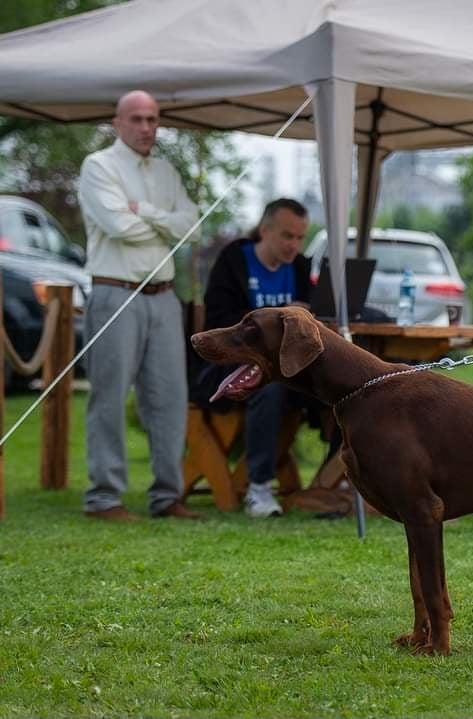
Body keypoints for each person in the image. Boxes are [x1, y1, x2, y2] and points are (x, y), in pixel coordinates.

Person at [78, 91, 201, 522]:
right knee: (109, 396)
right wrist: (165, 225)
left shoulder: (166, 170)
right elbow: (118, 226)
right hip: (116, 292)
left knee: (170, 397)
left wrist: (146, 211)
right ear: (117, 123)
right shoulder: (98, 167)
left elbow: (192, 224)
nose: (147, 127)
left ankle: (168, 496)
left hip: (164, 296)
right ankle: (104, 497)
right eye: (137, 119)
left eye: (152, 119)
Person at [196, 198, 313, 518]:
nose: (294, 245)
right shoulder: (234, 261)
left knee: (342, 381)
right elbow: (219, 323)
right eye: (287, 236)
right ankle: (259, 488)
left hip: (289, 367)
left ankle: (339, 479)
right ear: (265, 230)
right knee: (268, 384)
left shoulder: (302, 267)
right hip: (227, 367)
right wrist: (279, 316)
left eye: (300, 238)